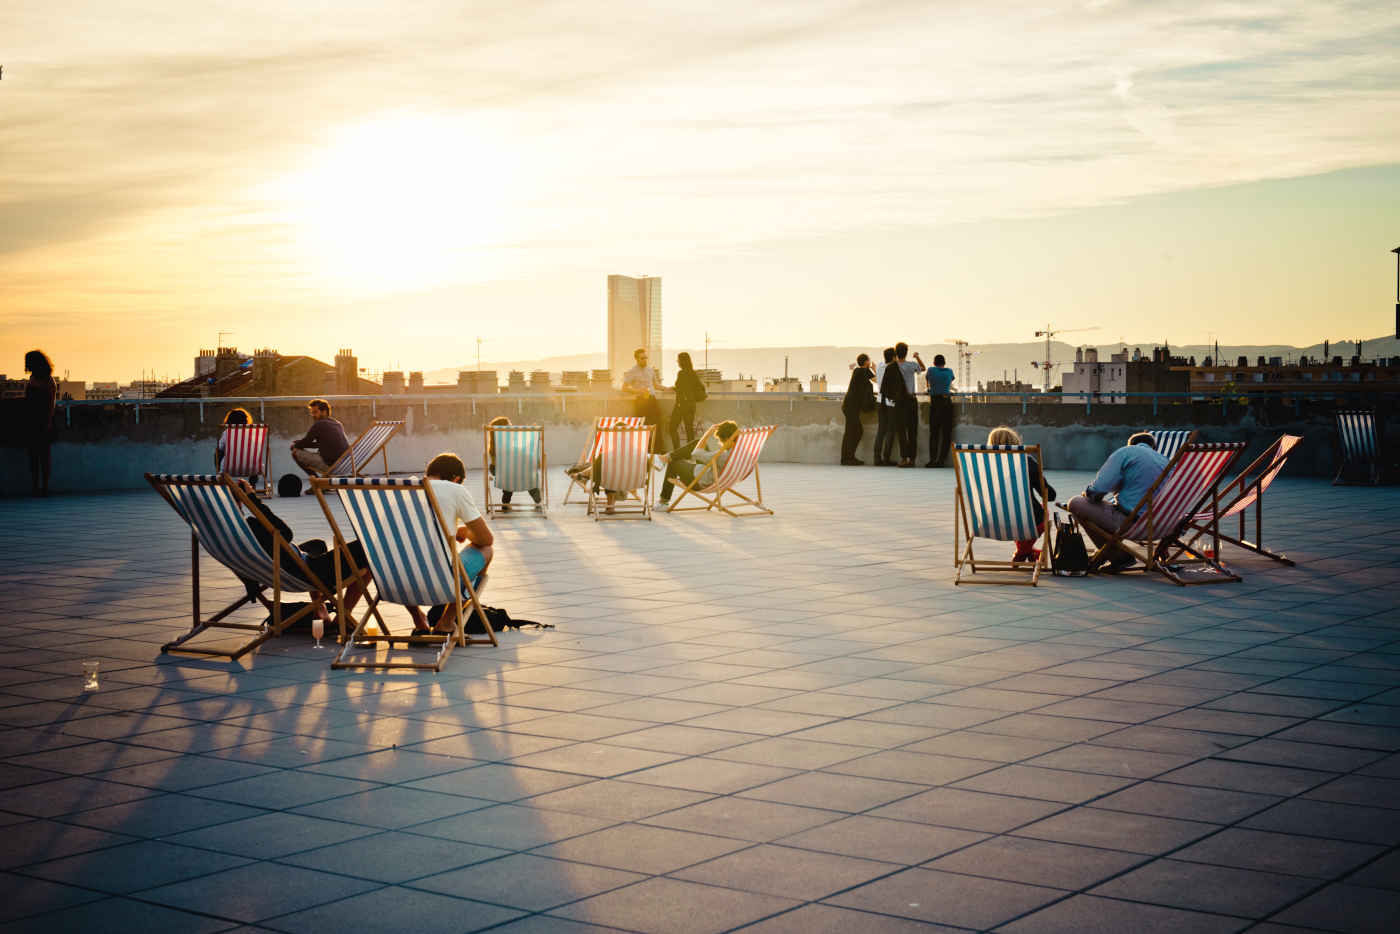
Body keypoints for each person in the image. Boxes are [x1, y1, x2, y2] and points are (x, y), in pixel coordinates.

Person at [232, 479, 369, 628]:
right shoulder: (251, 526)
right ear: (240, 501)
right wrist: (253, 500)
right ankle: (341, 619)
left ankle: (318, 606)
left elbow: (240, 568)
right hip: (304, 571)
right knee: (367, 551)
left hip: (283, 569)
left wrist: (264, 601)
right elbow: (286, 533)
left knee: (317, 545)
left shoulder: (231, 534)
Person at [1066, 432, 1169, 572]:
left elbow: (1098, 490)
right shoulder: (1167, 462)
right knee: (1111, 510)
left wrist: (1091, 495)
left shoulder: (1127, 452)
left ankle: (1118, 556)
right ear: (1154, 448)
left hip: (1133, 524)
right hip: (1162, 527)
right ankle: (1104, 554)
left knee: (1076, 503)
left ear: (1130, 445)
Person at [415, 453, 494, 633]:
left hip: (398, 584)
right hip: (441, 582)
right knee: (486, 549)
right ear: (456, 479)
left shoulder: (403, 489)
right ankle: (447, 621)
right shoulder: (455, 489)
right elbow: (486, 539)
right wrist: (466, 532)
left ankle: (418, 620)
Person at [986, 427, 1056, 563]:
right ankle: (1023, 552)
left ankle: (1025, 552)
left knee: (1011, 512)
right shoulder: (1026, 462)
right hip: (1027, 521)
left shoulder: (984, 466)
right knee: (1042, 513)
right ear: (1016, 443)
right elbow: (1050, 495)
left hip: (994, 522)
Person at [658, 420, 740, 507]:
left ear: (727, 439)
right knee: (696, 444)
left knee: (673, 463)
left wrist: (708, 433)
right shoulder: (740, 453)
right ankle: (666, 457)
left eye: (721, 441)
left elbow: (695, 453)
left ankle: (663, 502)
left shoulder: (722, 456)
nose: (720, 444)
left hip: (700, 482)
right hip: (718, 478)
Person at [486, 415, 542, 510]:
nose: (512, 427)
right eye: (509, 426)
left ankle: (505, 503)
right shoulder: (508, 441)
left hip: (499, 469)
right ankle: (538, 501)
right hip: (505, 468)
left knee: (510, 475)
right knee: (526, 475)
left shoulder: (494, 444)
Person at [290, 398, 349, 484]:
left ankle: (317, 483)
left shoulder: (319, 424)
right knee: (315, 452)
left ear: (324, 411)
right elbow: (323, 444)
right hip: (344, 465)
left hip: (331, 465)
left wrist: (295, 445)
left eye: (315, 412)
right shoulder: (337, 424)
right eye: (312, 412)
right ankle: (323, 483)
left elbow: (306, 442)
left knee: (295, 453)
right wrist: (301, 442)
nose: (313, 415)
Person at [23, 350, 57, 496]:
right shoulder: (37, 379)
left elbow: (49, 404)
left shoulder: (47, 381)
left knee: (41, 457)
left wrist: (47, 422)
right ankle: (38, 487)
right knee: (36, 457)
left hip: (42, 423)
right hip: (34, 422)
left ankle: (42, 488)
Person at [622, 348, 663, 452]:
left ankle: (657, 450)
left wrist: (668, 388)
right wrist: (638, 391)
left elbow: (656, 385)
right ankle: (642, 450)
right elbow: (624, 387)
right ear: (636, 359)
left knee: (657, 425)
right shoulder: (632, 371)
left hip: (652, 400)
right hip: (641, 401)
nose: (645, 360)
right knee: (641, 426)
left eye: (645, 358)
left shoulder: (650, 370)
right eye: (642, 358)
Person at [840, 354, 876, 465]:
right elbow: (877, 380)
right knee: (854, 431)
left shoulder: (858, 371)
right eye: (869, 360)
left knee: (852, 432)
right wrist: (874, 369)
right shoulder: (863, 371)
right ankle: (847, 458)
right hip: (851, 406)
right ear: (866, 362)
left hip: (850, 406)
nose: (870, 361)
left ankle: (848, 457)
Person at [894, 342, 925, 467]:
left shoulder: (893, 366)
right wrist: (917, 357)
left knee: (901, 430)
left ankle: (903, 458)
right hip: (911, 400)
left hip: (899, 401)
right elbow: (923, 368)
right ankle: (912, 459)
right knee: (912, 431)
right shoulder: (912, 365)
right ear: (906, 353)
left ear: (896, 353)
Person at [669, 351, 706, 450]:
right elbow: (700, 387)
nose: (677, 362)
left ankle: (677, 451)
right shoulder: (693, 373)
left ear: (682, 361)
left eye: (678, 360)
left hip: (681, 405)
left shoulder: (681, 373)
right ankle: (690, 453)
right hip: (691, 405)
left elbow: (680, 388)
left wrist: (673, 388)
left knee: (672, 428)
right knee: (689, 430)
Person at [926, 354, 956, 467]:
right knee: (946, 434)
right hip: (946, 403)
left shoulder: (931, 370)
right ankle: (941, 461)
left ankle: (932, 460)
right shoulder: (949, 371)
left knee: (934, 433)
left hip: (935, 403)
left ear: (934, 363)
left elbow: (928, 381)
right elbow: (951, 380)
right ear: (944, 363)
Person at [873, 347, 901, 466]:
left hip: (880, 401)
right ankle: (886, 458)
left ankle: (876, 458)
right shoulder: (894, 369)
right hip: (891, 403)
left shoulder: (880, 366)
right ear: (894, 357)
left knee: (881, 431)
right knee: (890, 431)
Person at [215, 407, 253, 475]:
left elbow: (220, 448)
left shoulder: (227, 433)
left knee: (218, 452)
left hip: (229, 467)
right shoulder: (252, 434)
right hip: (250, 467)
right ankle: (253, 480)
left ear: (229, 421)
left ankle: (221, 476)